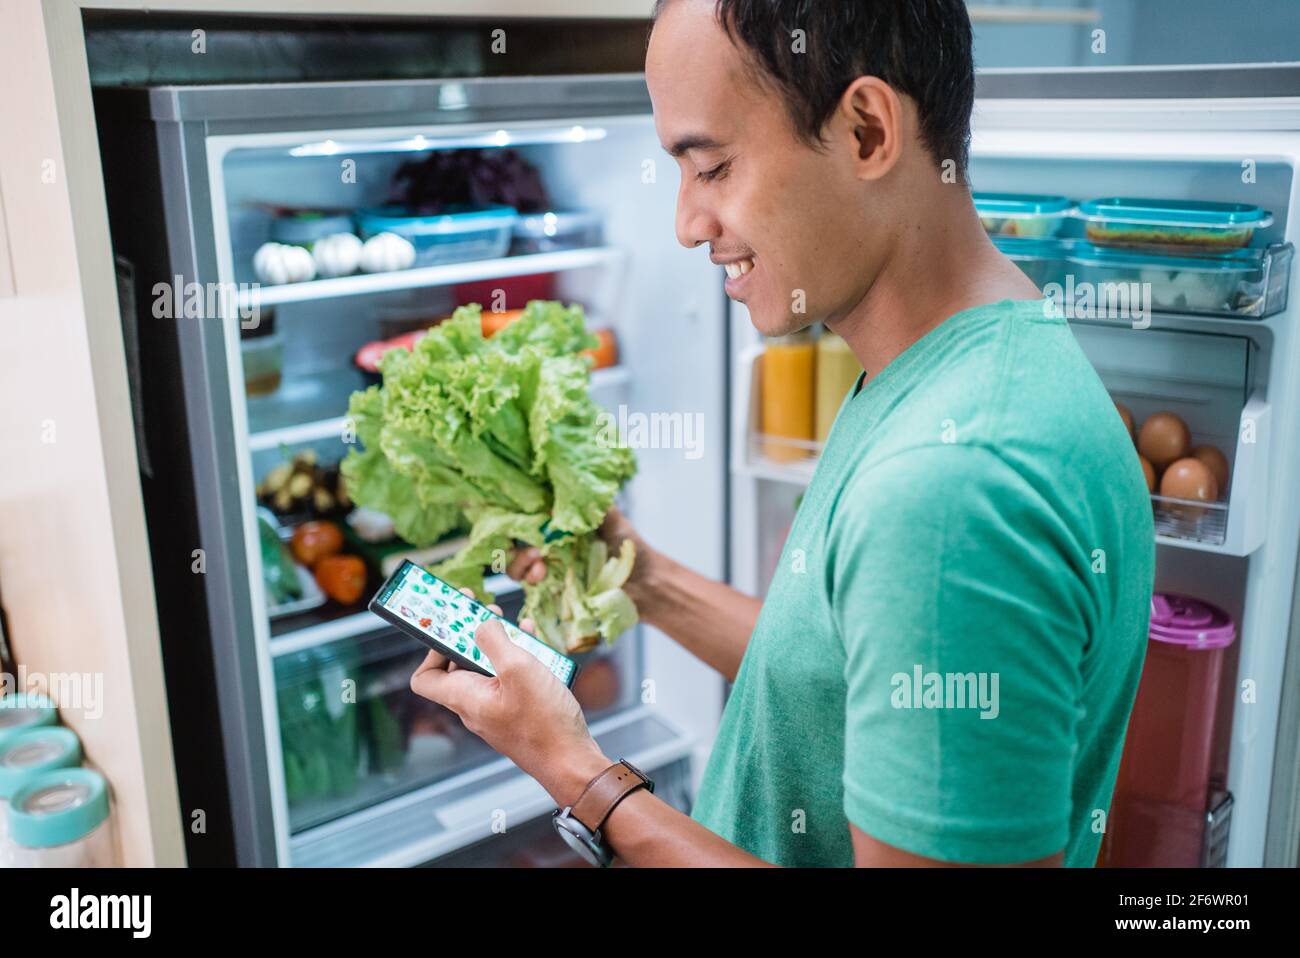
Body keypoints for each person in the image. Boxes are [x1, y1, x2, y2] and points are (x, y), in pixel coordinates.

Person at [410, 0, 1155, 867]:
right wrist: (645, 579)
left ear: (868, 131)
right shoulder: (964, 362)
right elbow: (839, 675)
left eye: (714, 166)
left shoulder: (951, 489)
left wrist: (576, 772)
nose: (688, 223)